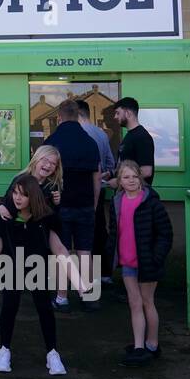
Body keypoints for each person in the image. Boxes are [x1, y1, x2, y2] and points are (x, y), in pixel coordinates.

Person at [0, 174, 74, 376]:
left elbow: (60, 249)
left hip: (37, 267)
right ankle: (4, 350)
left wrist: (80, 282)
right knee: (9, 306)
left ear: (33, 196)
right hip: (12, 266)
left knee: (44, 308)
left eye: (24, 194)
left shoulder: (45, 218)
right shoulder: (3, 219)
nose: (18, 198)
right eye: (15, 192)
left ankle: (52, 353)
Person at [0, 146, 64, 308]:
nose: (48, 165)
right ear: (36, 159)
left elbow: (51, 216)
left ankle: (82, 289)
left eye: (53, 163)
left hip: (35, 228)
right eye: (45, 160)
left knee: (59, 248)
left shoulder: (52, 185)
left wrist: (57, 203)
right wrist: (0, 207)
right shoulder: (21, 178)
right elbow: (5, 201)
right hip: (10, 223)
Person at [111, 160, 172, 366]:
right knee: (134, 302)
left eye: (134, 176)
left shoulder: (151, 202)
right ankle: (139, 347)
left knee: (147, 301)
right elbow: (115, 231)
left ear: (141, 178)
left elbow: (165, 233)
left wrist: (156, 258)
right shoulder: (117, 201)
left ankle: (152, 344)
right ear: (119, 181)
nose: (131, 180)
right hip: (127, 261)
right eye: (126, 177)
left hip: (148, 262)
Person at [42, 100, 101, 310]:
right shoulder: (90, 142)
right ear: (78, 116)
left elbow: (43, 176)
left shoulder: (52, 142)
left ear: (59, 117)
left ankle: (62, 298)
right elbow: (97, 178)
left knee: (61, 252)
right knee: (85, 251)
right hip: (85, 204)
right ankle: (89, 297)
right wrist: (94, 204)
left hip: (59, 206)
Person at [75, 100, 115, 286]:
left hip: (79, 190)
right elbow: (110, 164)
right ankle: (104, 273)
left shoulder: (77, 134)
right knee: (99, 230)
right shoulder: (101, 134)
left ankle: (83, 278)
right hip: (101, 188)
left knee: (77, 234)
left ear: (76, 114)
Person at [113, 98, 154, 186]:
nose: (115, 117)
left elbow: (146, 171)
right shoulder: (130, 135)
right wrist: (111, 173)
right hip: (127, 193)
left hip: (138, 193)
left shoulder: (142, 137)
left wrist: (118, 181)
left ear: (128, 113)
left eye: (118, 113)